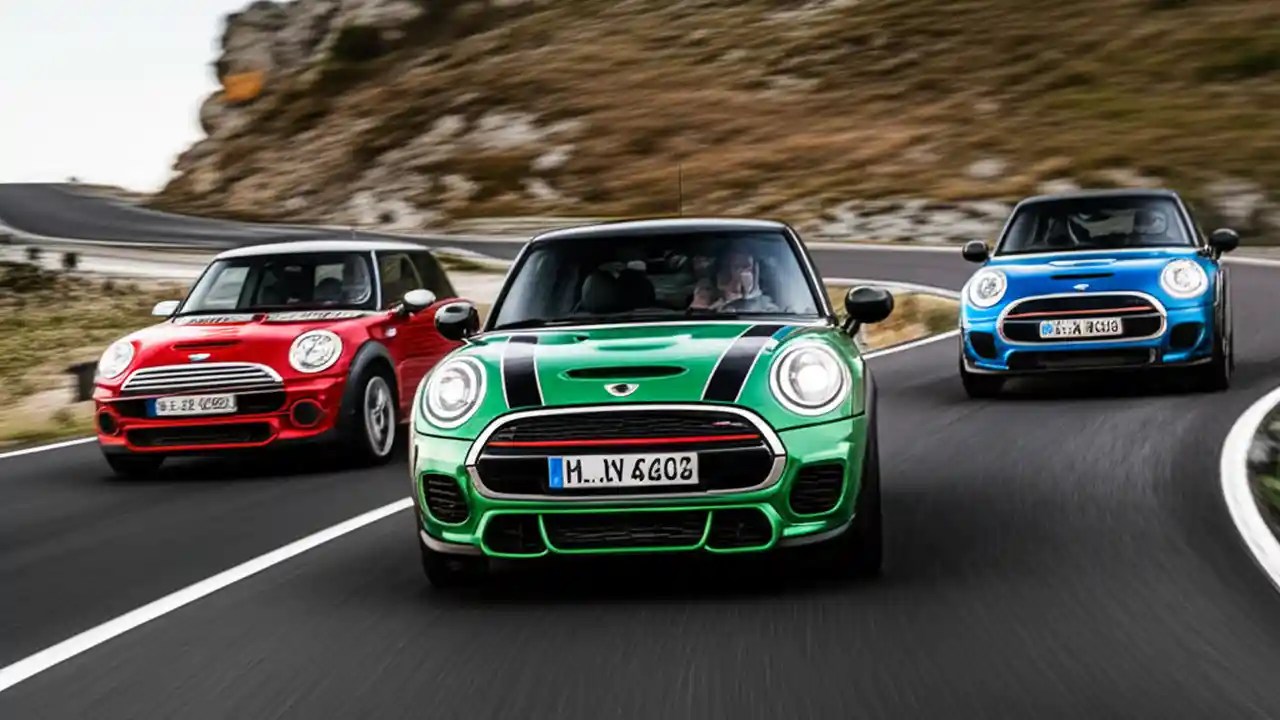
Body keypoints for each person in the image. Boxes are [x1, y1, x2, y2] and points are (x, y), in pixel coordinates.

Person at [689, 247, 779, 312]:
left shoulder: (766, 307)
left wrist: (747, 295)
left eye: (746, 267)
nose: (741, 273)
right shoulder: (708, 293)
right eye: (736, 267)